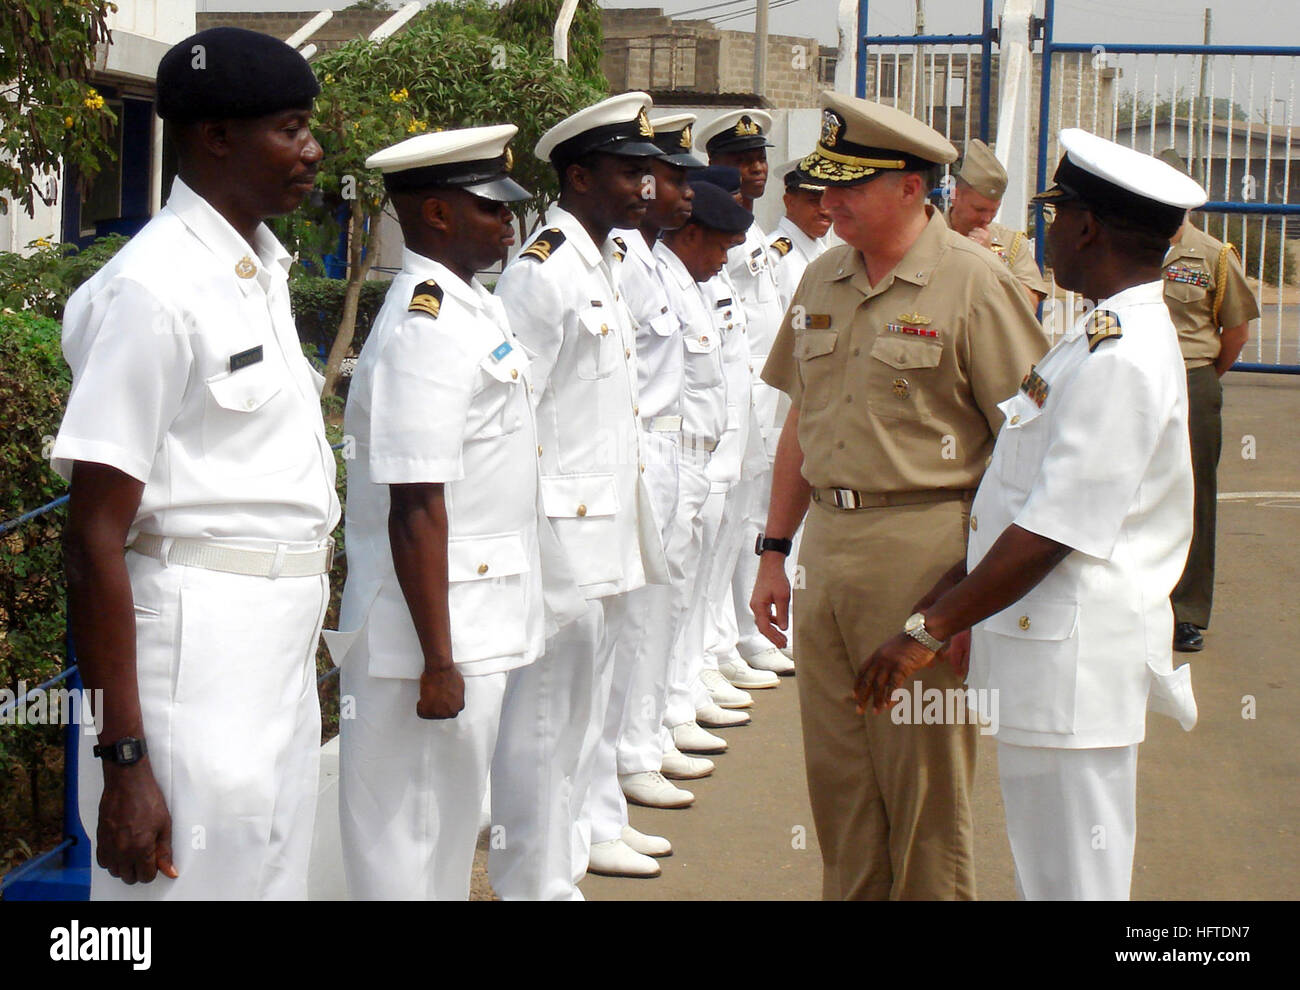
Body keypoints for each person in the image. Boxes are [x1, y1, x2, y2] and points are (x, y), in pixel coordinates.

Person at [857, 128, 1204, 900]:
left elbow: (1055, 529)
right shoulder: (1098, 335)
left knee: (1075, 881)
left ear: (1086, 226)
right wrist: (950, 593)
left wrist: (927, 631)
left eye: (1056, 215)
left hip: (1074, 660)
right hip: (1049, 652)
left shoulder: (1123, 355)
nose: (1045, 230)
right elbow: (1022, 495)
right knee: (1053, 872)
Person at [55, 27, 337, 899]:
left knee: (270, 880)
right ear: (216, 137)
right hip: (196, 645)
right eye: (290, 128)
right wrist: (124, 759)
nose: (313, 149)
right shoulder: (155, 288)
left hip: (280, 646)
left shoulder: (257, 270)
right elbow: (93, 535)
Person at [750, 92, 1047, 900]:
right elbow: (800, 427)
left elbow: (1027, 451)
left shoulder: (976, 284)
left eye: (849, 186)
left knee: (922, 792)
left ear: (912, 188)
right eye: (825, 185)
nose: (829, 202)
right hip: (828, 554)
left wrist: (965, 606)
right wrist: (774, 552)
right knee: (840, 783)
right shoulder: (822, 276)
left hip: (925, 551)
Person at [325, 126, 583, 899]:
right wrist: (439, 661)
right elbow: (415, 503)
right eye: (487, 207)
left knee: (441, 829)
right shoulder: (424, 328)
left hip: (468, 618)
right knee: (408, 837)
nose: (508, 221)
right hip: (426, 635)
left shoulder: (472, 308)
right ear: (435, 214)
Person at [489, 92, 669, 899]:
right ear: (579, 175)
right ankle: (534, 881)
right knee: (539, 722)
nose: (647, 187)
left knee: (577, 717)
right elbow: (510, 418)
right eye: (629, 172)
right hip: (554, 538)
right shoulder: (543, 272)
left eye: (648, 173)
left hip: (596, 534)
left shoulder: (601, 261)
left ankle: (564, 863)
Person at [657, 177, 755, 759]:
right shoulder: (657, 279)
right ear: (690, 233)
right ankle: (653, 728)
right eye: (717, 248)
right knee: (661, 610)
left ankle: (671, 705)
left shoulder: (689, 280)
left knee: (686, 598)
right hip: (669, 461)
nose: (722, 263)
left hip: (704, 459)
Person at [694, 110, 790, 685]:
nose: (756, 169)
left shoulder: (753, 232)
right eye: (740, 160)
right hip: (726, 403)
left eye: (759, 158)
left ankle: (734, 638)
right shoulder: (716, 228)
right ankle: (722, 645)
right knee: (721, 526)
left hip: (759, 399)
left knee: (746, 523)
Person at [1156, 151, 1260, 653]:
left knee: (1194, 494)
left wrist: (1202, 377)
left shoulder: (1215, 256)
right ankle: (1134, 604)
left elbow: (1234, 334)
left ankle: (1186, 612)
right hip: (1131, 382)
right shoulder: (1124, 247)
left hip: (1192, 379)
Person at [946, 139, 1050, 308]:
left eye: (993, 210)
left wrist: (992, 262)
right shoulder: (927, 232)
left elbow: (1029, 305)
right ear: (955, 196)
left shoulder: (1011, 243)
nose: (987, 218)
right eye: (979, 209)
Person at [769, 161, 833, 310]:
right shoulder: (772, 258)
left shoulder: (826, 255)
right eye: (814, 201)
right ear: (789, 202)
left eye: (829, 202)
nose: (825, 211)